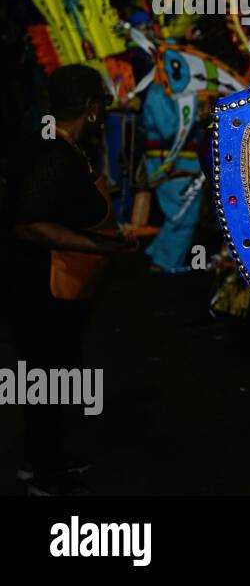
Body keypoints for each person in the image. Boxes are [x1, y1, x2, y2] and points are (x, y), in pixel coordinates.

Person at [2, 64, 138, 495]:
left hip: (52, 284)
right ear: (91, 108)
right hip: (41, 286)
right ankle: (45, 475)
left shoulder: (52, 142)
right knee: (47, 374)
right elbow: (29, 223)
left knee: (51, 373)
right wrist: (101, 247)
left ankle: (44, 458)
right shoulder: (52, 152)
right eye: (103, 104)